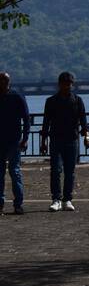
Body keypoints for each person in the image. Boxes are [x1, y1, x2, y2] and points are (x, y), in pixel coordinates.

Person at [40, 72, 89, 211]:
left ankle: (67, 199)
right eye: (64, 83)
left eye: (69, 84)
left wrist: (86, 138)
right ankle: (56, 199)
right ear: (59, 84)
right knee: (55, 170)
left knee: (70, 171)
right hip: (55, 139)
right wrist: (43, 142)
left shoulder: (77, 100)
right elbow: (46, 123)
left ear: (72, 84)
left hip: (72, 139)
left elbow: (83, 121)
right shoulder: (51, 101)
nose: (67, 86)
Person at [0, 71, 30, 214]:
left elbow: (26, 118)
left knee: (14, 172)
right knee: (7, 173)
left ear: (8, 82)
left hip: (13, 141)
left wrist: (24, 139)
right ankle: (3, 204)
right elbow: (26, 119)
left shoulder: (16, 96)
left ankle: (18, 203)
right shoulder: (15, 96)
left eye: (4, 81)